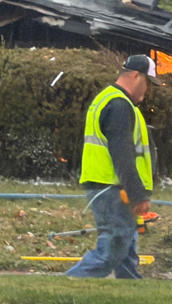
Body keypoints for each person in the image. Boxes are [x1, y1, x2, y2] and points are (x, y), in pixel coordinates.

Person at [66, 54, 162, 279]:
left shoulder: (110, 100)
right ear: (136, 76)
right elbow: (123, 155)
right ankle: (65, 285)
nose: (147, 90)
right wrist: (137, 194)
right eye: (147, 83)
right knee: (111, 251)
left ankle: (132, 291)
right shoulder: (119, 106)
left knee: (126, 253)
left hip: (111, 187)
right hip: (112, 189)